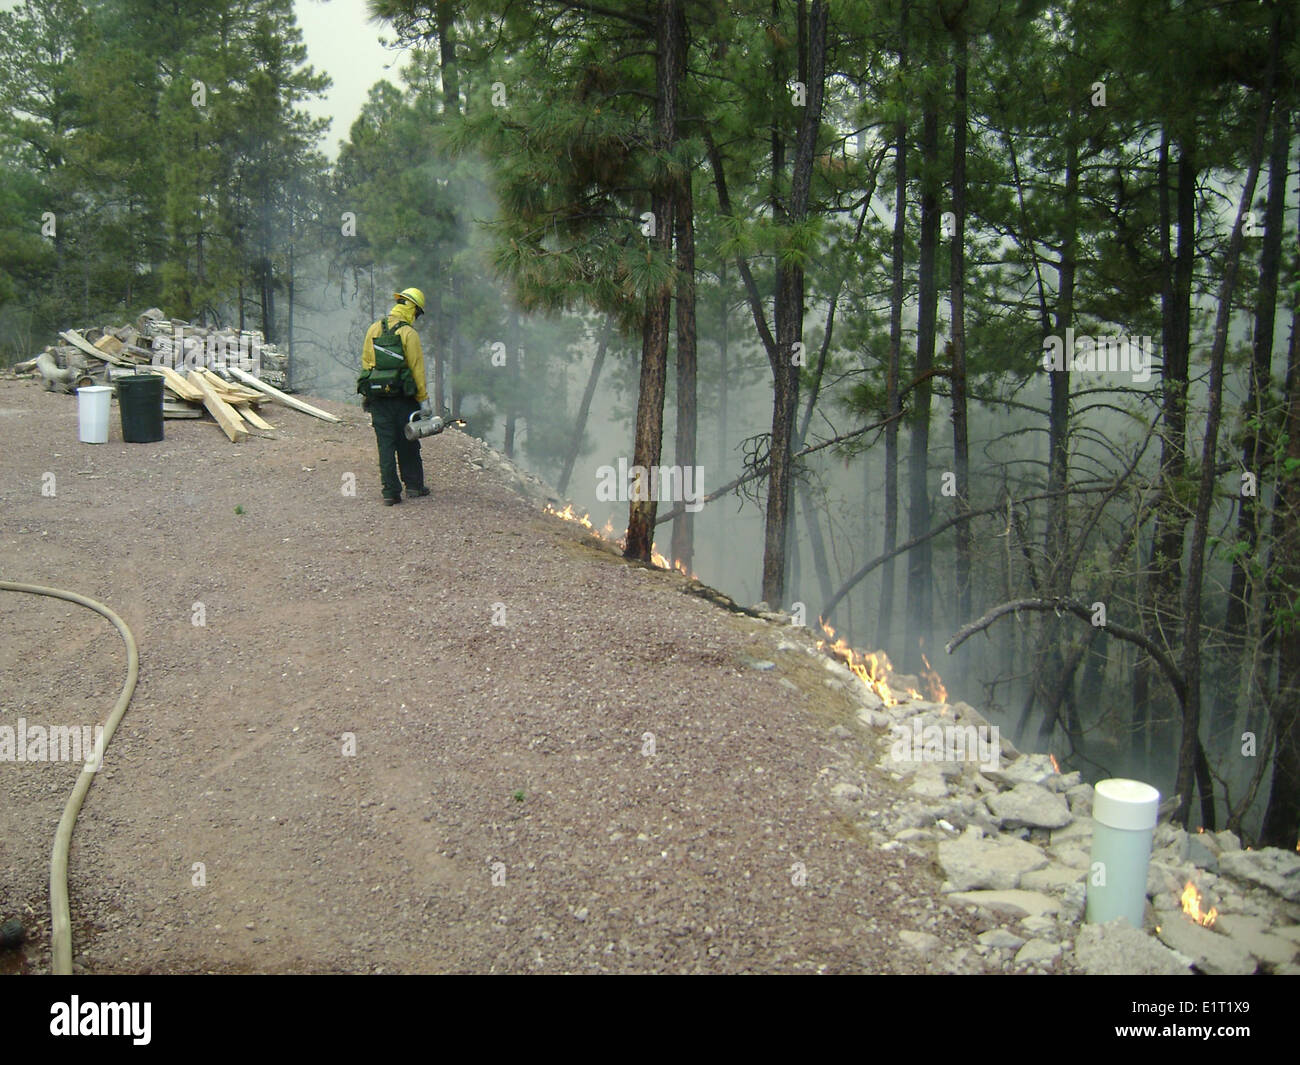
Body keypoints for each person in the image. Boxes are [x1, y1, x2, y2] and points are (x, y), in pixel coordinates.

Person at [359, 287, 433, 506]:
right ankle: (414, 486)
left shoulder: (373, 329)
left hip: (379, 399)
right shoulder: (409, 334)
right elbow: (416, 369)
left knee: (386, 445)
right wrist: (423, 400)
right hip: (404, 399)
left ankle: (390, 492)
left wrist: (370, 394)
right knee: (408, 441)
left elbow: (367, 363)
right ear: (413, 309)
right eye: (418, 313)